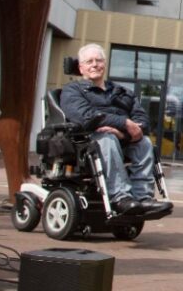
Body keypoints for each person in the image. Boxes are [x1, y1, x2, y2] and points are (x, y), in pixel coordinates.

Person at [59, 43, 167, 213]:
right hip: (89, 140)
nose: (95, 64)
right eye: (89, 61)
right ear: (81, 68)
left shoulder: (122, 92)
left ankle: (143, 198)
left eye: (98, 60)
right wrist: (124, 123)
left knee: (145, 142)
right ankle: (120, 196)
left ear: (104, 64)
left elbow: (142, 120)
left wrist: (123, 133)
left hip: (122, 139)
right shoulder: (72, 90)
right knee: (107, 140)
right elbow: (87, 117)